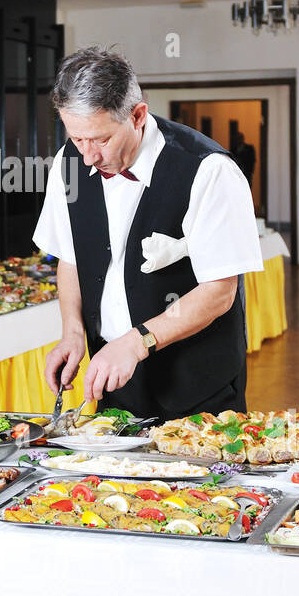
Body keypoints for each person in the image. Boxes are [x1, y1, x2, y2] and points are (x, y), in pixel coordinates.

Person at [33, 46, 264, 417]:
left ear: (138, 115)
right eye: (77, 138)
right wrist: (73, 331)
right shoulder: (68, 164)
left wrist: (137, 342)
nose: (88, 156)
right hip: (115, 376)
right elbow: (70, 259)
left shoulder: (208, 169)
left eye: (102, 139)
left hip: (198, 382)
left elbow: (220, 290)